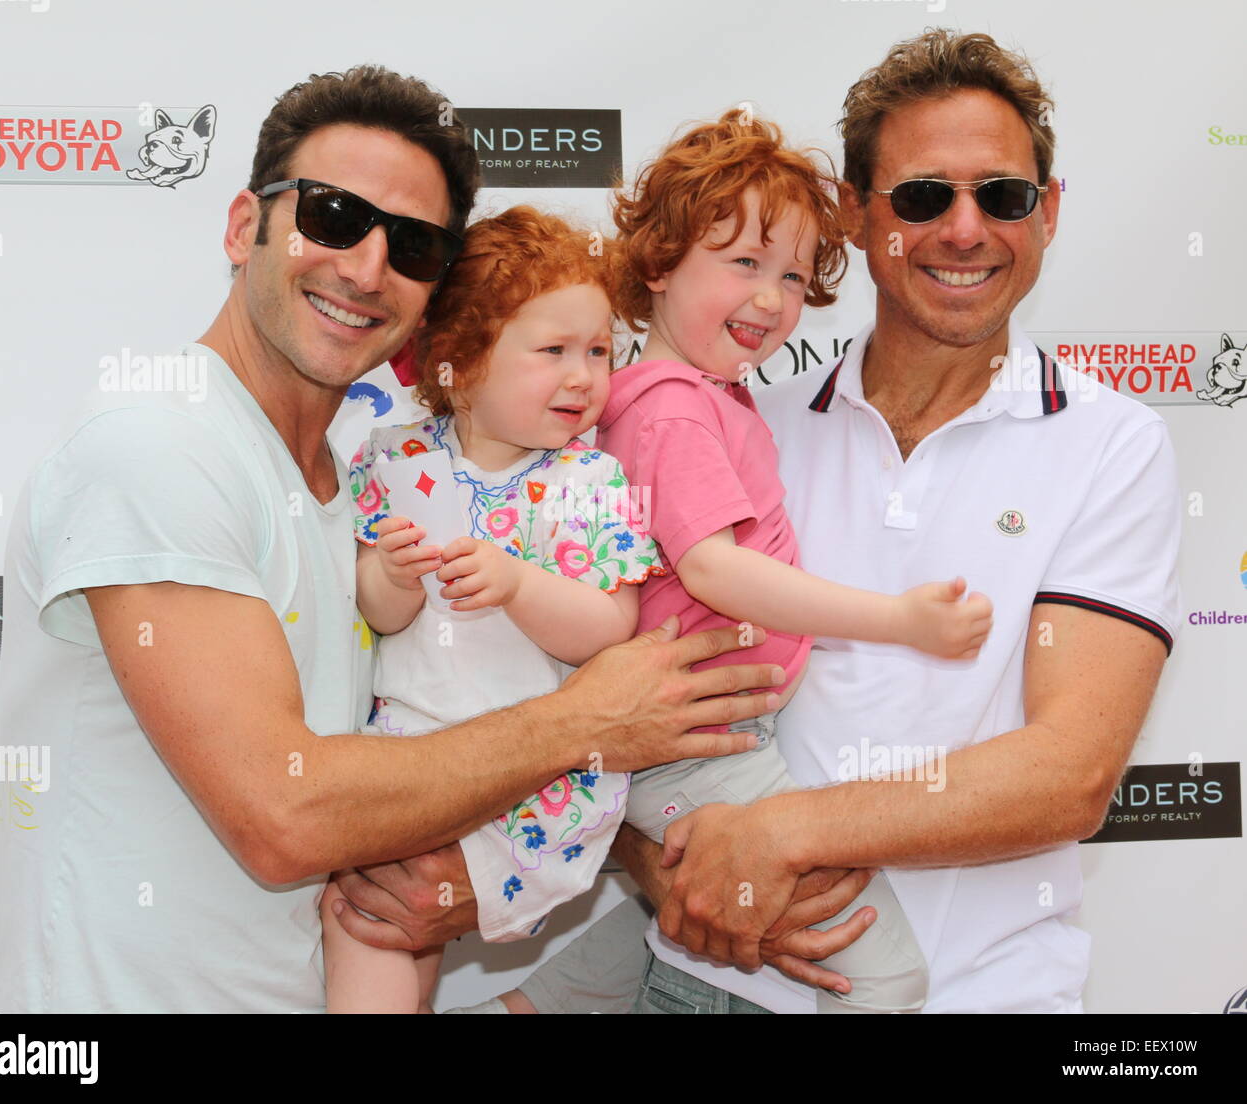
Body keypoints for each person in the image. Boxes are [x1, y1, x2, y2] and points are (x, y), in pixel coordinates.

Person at [0, 67, 781, 1013]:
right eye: (331, 216)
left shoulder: (359, 473)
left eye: (410, 245)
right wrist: (587, 726)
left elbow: (408, 753)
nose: (367, 268)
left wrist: (473, 876)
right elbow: (285, 815)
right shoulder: (158, 441)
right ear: (246, 226)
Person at [442, 30, 1183, 1014]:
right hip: (694, 980)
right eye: (922, 196)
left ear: (1045, 213)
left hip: (977, 996)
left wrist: (781, 833)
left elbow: (1067, 777)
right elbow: (605, 688)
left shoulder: (1111, 444)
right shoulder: (745, 421)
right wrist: (663, 858)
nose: (964, 230)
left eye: (999, 195)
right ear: (856, 213)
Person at [319, 206, 669, 1012]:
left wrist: (519, 584)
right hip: (404, 753)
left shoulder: (594, 483)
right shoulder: (394, 458)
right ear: (462, 363)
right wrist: (395, 578)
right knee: (376, 921)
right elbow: (377, 610)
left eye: (598, 353)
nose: (583, 377)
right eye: (553, 353)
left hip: (528, 780)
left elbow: (609, 628)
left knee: (394, 920)